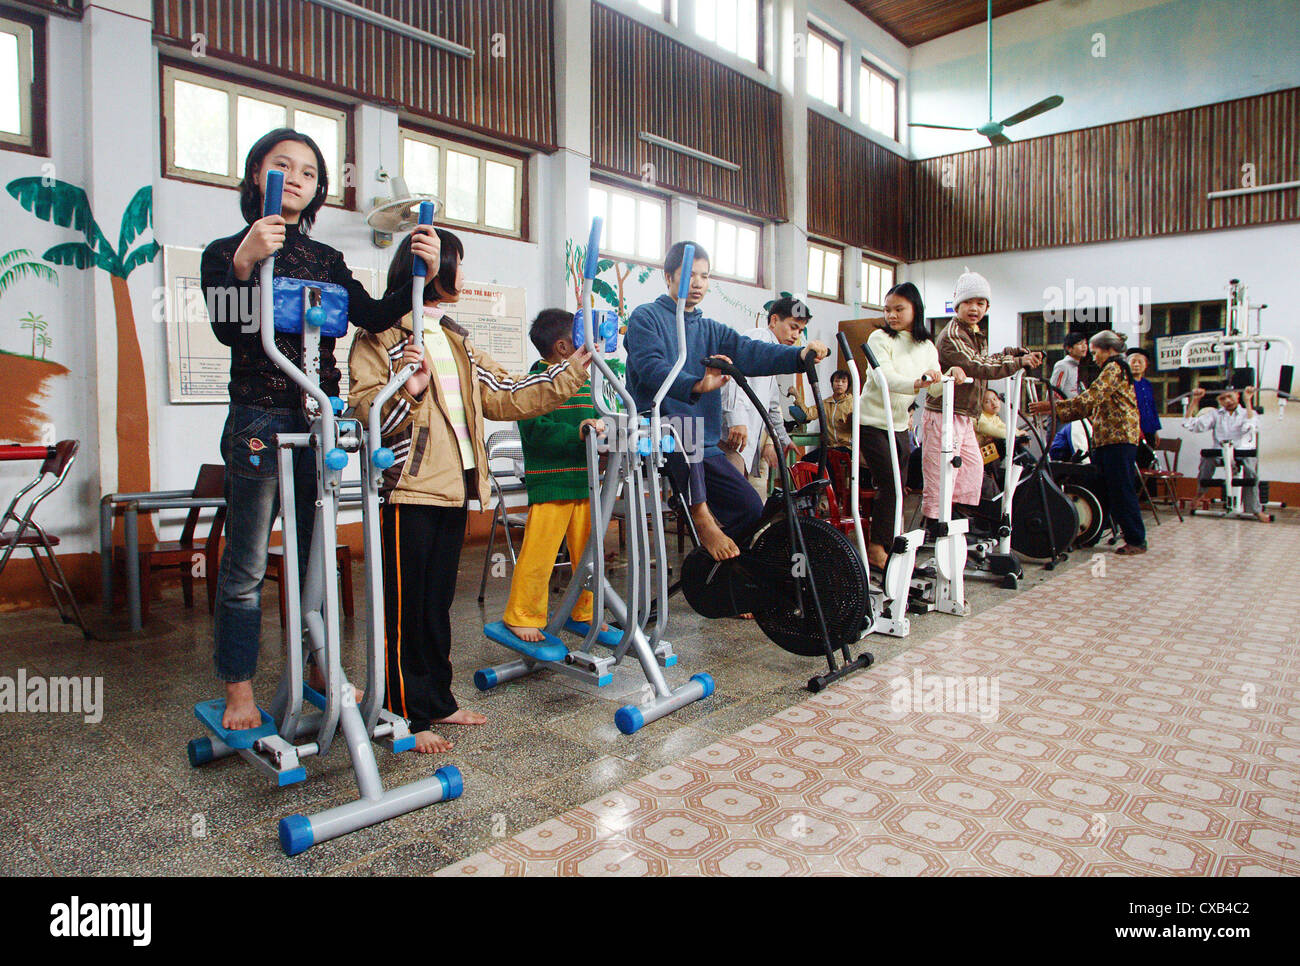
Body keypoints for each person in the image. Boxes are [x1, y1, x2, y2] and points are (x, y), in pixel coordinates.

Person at [201, 128, 440, 731]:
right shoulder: (224, 251)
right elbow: (228, 330)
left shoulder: (328, 261)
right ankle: (239, 690)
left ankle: (318, 670)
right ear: (259, 175)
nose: (298, 177)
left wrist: (418, 269)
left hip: (320, 418)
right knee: (250, 562)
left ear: (317, 189)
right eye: (284, 166)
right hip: (259, 415)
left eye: (309, 171)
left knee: (315, 559)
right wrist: (246, 261)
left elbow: (379, 313)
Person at [349, 232, 592, 752]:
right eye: (458, 263)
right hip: (408, 490)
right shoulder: (379, 338)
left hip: (456, 486)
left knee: (435, 603)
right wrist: (405, 386)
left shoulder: (456, 339)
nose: (464, 273)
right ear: (434, 268)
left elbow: (506, 394)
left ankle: (436, 701)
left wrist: (570, 374)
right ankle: (399, 713)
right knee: (403, 606)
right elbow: (370, 417)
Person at [625, 241, 829, 561]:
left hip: (702, 444)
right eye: (690, 275)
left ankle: (724, 582)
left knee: (750, 508)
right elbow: (651, 368)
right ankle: (700, 514)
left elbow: (750, 351)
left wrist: (799, 356)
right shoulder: (645, 318)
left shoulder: (710, 329)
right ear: (668, 277)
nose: (698, 283)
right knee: (683, 428)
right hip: (655, 429)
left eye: (705, 276)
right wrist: (696, 384)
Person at [501, 309, 606, 643]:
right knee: (540, 554)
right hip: (551, 482)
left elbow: (594, 417)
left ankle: (586, 611)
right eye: (579, 337)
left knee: (589, 554)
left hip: (584, 481)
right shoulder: (535, 383)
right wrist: (577, 430)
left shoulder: (586, 380)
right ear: (563, 347)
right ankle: (522, 615)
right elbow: (535, 430)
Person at [922, 270, 1042, 528]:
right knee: (942, 477)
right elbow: (977, 365)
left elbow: (986, 360)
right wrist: (1017, 362)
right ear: (957, 304)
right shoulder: (953, 334)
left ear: (987, 306)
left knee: (972, 470)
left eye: (980, 303)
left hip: (964, 415)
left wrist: (1011, 353)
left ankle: (958, 523)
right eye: (968, 302)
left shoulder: (974, 331)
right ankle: (935, 528)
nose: (974, 308)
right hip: (945, 414)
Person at [1028, 330, 1147, 554]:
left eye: (1095, 352)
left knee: (1121, 488)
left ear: (1109, 350)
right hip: (1107, 439)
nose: (1092, 357)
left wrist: (1052, 407)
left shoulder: (1114, 368)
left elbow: (1090, 399)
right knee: (1101, 487)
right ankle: (1090, 533)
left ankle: (1136, 539)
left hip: (1118, 439)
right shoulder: (1110, 368)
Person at [858, 282, 941, 570]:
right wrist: (918, 382)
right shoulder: (880, 337)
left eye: (899, 309)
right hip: (871, 422)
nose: (891, 315)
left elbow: (936, 390)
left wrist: (945, 376)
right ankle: (876, 547)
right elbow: (885, 378)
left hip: (900, 425)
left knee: (899, 488)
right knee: (890, 485)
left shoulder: (927, 346)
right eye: (887, 309)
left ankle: (892, 542)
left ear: (915, 309)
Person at [720, 297, 806, 497]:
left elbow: (772, 406)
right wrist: (736, 420)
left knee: (740, 499)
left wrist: (784, 439)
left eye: (800, 331)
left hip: (745, 438)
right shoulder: (758, 338)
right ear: (774, 320)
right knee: (729, 500)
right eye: (793, 327)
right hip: (732, 436)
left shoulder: (771, 358)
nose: (795, 335)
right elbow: (731, 377)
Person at [1183, 385, 1271, 523]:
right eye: (1223, 398)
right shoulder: (1215, 414)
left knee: (1251, 471)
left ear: (1237, 395)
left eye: (1230, 396)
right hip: (1221, 453)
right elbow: (1191, 425)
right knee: (1207, 459)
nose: (1227, 400)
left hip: (1242, 453)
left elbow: (1250, 426)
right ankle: (1200, 494)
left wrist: (1248, 401)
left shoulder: (1248, 412)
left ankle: (1255, 510)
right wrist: (1195, 401)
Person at [803, 369, 855, 467]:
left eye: (843, 381)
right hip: (830, 447)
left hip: (847, 448)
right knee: (806, 460)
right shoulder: (825, 403)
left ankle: (830, 483)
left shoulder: (853, 403)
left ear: (848, 385)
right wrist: (797, 396)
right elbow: (809, 414)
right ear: (832, 384)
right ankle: (815, 483)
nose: (839, 384)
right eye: (836, 381)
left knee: (828, 460)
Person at [1126, 347, 1161, 444]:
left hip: (1148, 429)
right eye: (1133, 362)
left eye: (1140, 362)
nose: (1136, 364)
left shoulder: (1147, 384)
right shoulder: (1125, 384)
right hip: (1131, 431)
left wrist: (1155, 431)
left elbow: (1152, 407)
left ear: (1146, 365)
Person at [1051, 331, 1088, 399]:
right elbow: (1054, 392)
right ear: (1069, 348)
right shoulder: (1062, 365)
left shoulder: (1077, 366)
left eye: (1085, 343)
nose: (1084, 346)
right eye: (1080, 344)